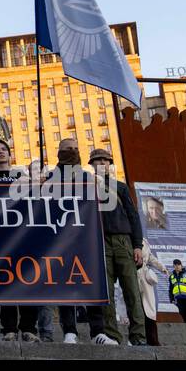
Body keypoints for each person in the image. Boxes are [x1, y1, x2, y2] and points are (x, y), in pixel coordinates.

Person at [48, 141, 117, 345]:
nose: (71, 152)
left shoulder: (88, 178)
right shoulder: (50, 178)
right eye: (67, 149)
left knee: (91, 282)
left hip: (86, 239)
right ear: (59, 152)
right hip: (60, 239)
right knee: (65, 284)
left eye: (75, 149)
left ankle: (98, 332)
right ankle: (70, 330)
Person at [88, 148, 147, 346]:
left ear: (109, 164)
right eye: (97, 161)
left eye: (105, 160)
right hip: (100, 241)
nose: (102, 163)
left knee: (131, 290)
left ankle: (138, 337)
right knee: (106, 292)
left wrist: (137, 245)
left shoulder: (120, 187)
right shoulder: (86, 187)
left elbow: (133, 216)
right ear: (92, 165)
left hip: (124, 240)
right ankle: (112, 335)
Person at [0, 138, 38, 342]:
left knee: (27, 281)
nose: (1, 152)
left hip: (22, 235)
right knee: (6, 281)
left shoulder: (21, 176)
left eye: (4, 149)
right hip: (0, 237)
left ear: (9, 154)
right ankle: (9, 328)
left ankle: (29, 328)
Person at [138, 239, 166, 345]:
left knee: (150, 309)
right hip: (132, 275)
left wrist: (162, 268)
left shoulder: (144, 241)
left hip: (145, 277)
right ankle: (138, 338)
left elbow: (150, 258)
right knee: (137, 307)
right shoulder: (128, 238)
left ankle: (153, 339)